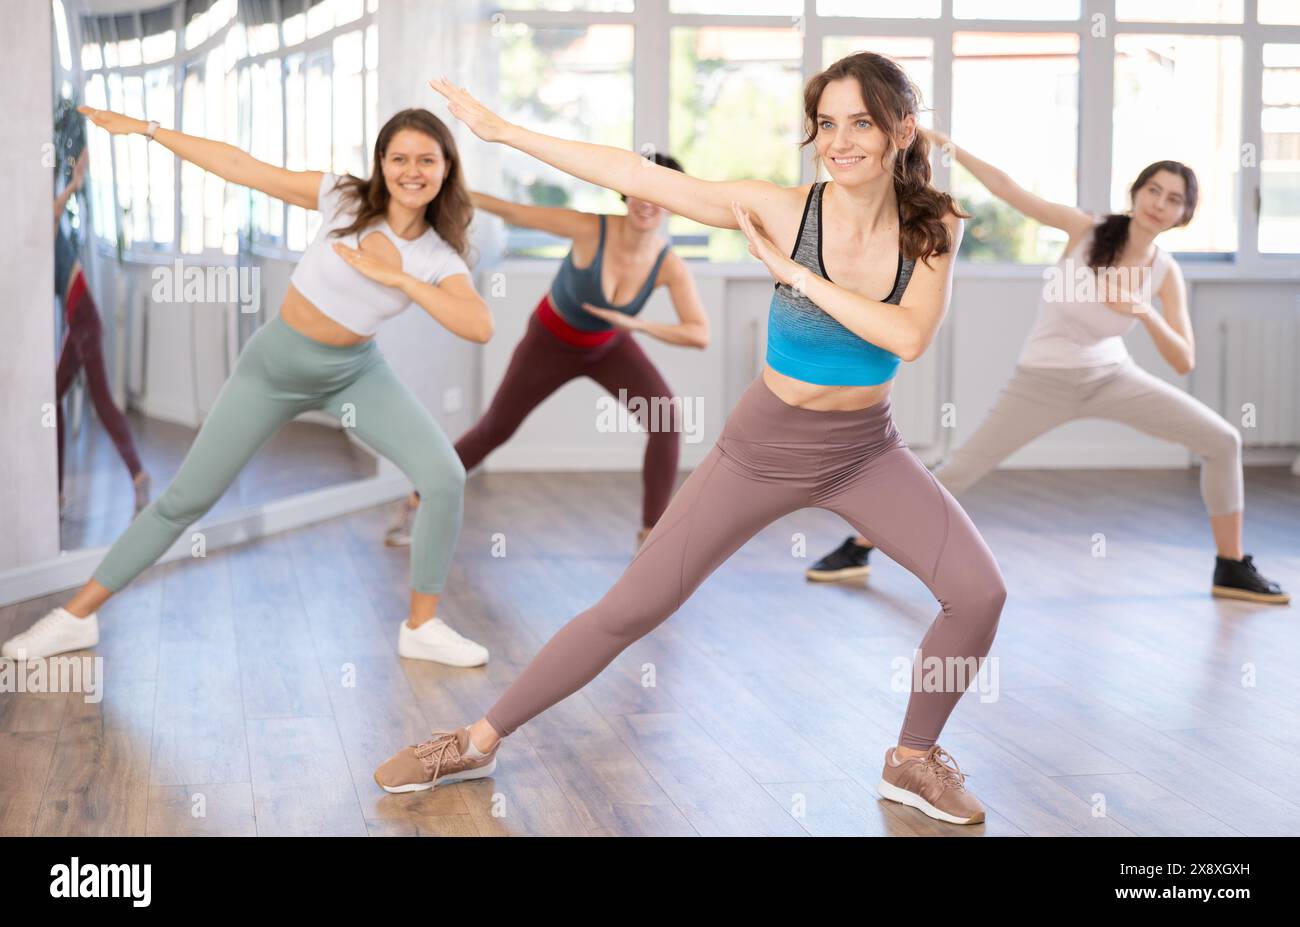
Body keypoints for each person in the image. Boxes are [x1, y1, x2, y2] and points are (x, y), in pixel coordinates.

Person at [371, 55, 1008, 827]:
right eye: (827, 123)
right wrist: (504, 131)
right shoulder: (782, 208)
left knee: (979, 591)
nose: (839, 142)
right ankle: (475, 740)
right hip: (762, 446)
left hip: (866, 450)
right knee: (631, 606)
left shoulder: (934, 225)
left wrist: (793, 276)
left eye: (861, 122)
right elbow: (640, 175)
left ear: (902, 129)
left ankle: (911, 758)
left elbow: (906, 336)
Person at [3, 107, 496, 666]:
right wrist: (149, 131)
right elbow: (242, 166)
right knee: (186, 499)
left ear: (445, 167)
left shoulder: (436, 255)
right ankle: (75, 618)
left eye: (426, 160)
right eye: (399, 157)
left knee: (445, 476)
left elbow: (479, 325)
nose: (412, 171)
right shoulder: (343, 198)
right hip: (274, 367)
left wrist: (400, 277)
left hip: (356, 372)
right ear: (380, 164)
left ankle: (422, 626)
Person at [806, 133, 1289, 607]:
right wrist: (944, 142)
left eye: (1174, 199)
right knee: (958, 472)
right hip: (1042, 380)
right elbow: (1008, 189)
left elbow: (1184, 359)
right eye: (1153, 190)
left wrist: (1143, 310)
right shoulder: (1088, 229)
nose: (1159, 203)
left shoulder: (1165, 271)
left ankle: (1231, 566)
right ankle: (859, 546)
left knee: (1223, 440)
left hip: (1112, 378)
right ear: (1137, 192)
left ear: (1184, 215)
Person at [384, 161, 710, 552]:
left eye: (661, 193)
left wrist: (636, 325)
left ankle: (651, 536)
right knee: (495, 430)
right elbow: (515, 211)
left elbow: (698, 333)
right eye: (642, 190)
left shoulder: (668, 265)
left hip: (609, 347)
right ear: (625, 193)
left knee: (665, 419)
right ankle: (417, 499)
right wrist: (438, 188)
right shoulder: (591, 228)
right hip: (549, 343)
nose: (648, 203)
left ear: (674, 203)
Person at [53, 149, 150, 515]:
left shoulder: (47, 228)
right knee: (53, 396)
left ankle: (139, 474)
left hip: (85, 322)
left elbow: (53, 211)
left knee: (103, 401)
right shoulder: (31, 244)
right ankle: (56, 490)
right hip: (77, 325)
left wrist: (75, 182)